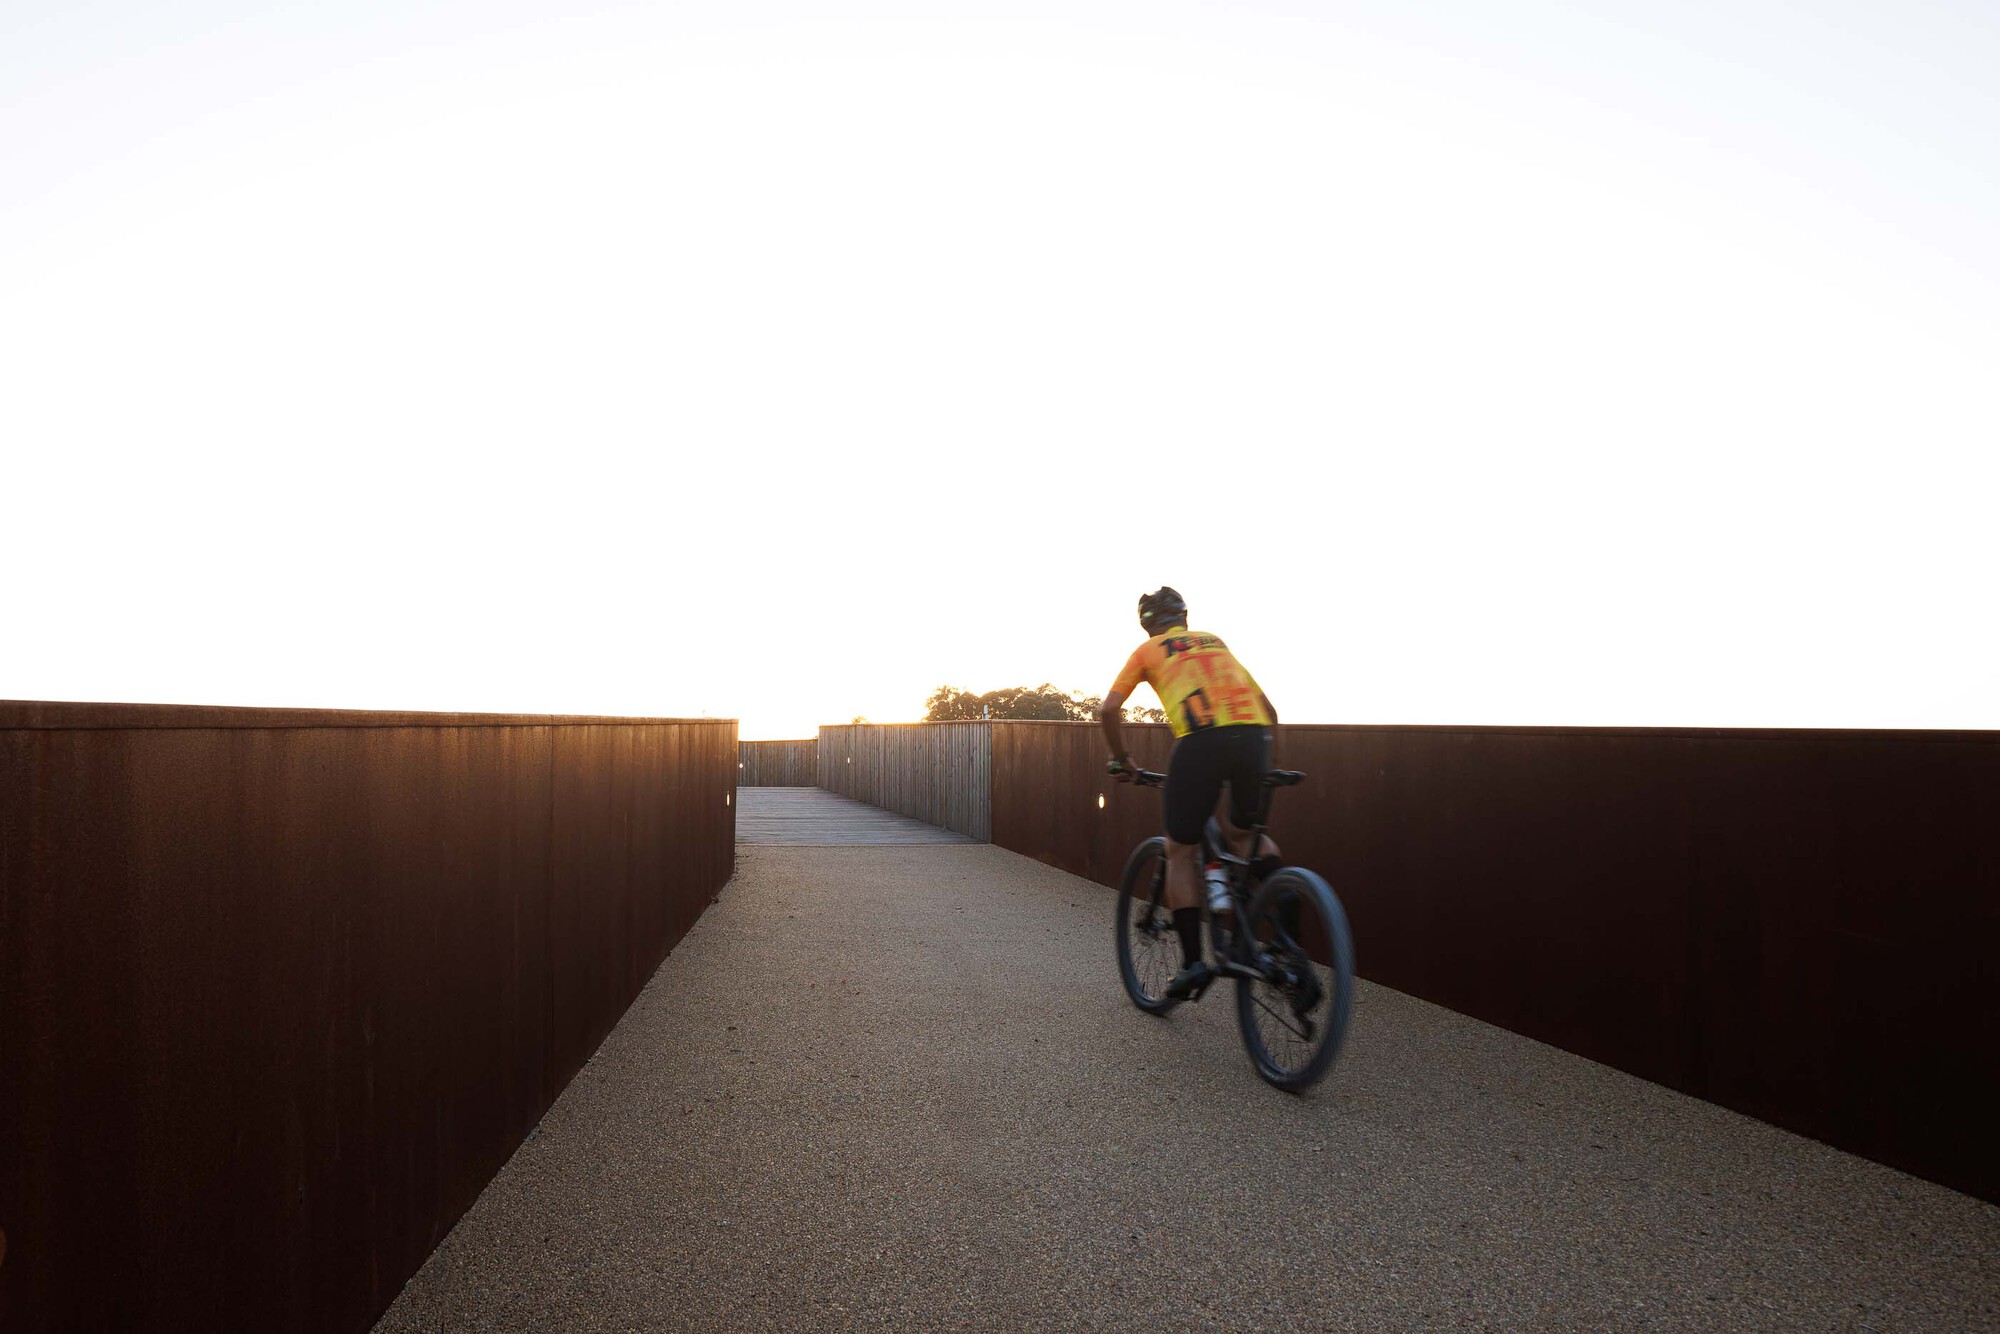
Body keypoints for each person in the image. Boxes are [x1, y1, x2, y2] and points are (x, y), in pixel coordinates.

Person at [1099, 586, 1280, 1000]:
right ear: (1185, 615)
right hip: (1253, 739)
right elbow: (1268, 710)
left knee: (1180, 848)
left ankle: (1194, 963)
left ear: (1146, 624)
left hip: (1200, 743)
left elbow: (1109, 709)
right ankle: (1288, 931)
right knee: (1244, 835)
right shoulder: (1214, 641)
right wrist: (1268, 764)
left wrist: (1122, 758)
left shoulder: (1148, 651)